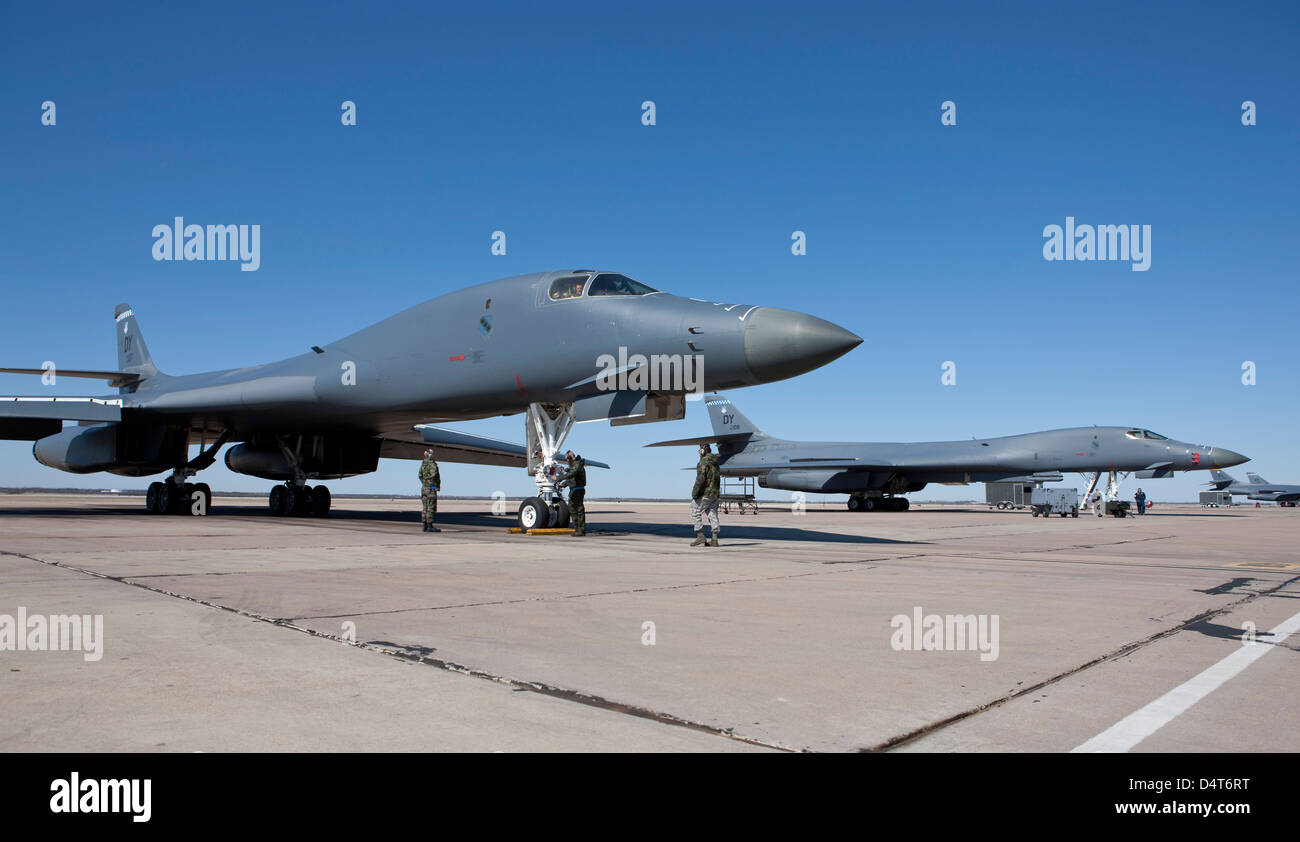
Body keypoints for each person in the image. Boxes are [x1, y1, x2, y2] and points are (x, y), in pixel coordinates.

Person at [690, 443, 721, 546]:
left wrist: (695, 493)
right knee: (712, 513)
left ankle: (700, 536)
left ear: (703, 450)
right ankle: (714, 539)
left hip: (706, 493)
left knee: (694, 510)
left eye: (699, 449)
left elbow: (700, 479)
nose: (698, 451)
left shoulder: (703, 462)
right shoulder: (716, 462)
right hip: (715, 494)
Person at [557, 449, 587, 536]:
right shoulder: (575, 465)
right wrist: (563, 484)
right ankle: (579, 529)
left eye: (567, 459)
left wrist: (558, 478)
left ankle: (580, 530)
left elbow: (571, 475)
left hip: (578, 490)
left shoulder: (577, 465)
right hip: (575, 490)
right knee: (573, 509)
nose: (567, 461)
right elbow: (572, 479)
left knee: (578, 509)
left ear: (571, 458)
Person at [419, 449, 441, 532]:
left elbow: (420, 475)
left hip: (424, 488)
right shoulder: (432, 464)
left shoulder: (423, 464)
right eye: (431, 453)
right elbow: (435, 475)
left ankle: (424, 525)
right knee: (431, 507)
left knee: (425, 507)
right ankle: (430, 526)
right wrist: (434, 486)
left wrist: (424, 483)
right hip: (431, 488)